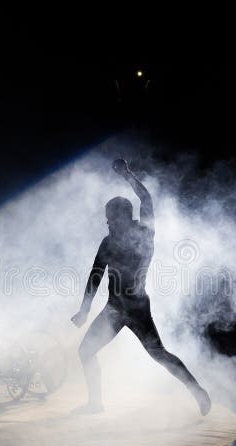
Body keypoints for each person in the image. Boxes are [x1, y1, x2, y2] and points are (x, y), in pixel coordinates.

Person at [70, 159, 211, 415]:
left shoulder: (144, 233)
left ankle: (197, 392)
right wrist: (84, 310)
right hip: (113, 309)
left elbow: (146, 199)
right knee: (85, 351)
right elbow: (94, 277)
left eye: (111, 219)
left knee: (159, 355)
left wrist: (127, 174)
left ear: (125, 217)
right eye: (107, 220)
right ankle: (95, 403)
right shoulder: (107, 243)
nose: (108, 224)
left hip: (137, 309)